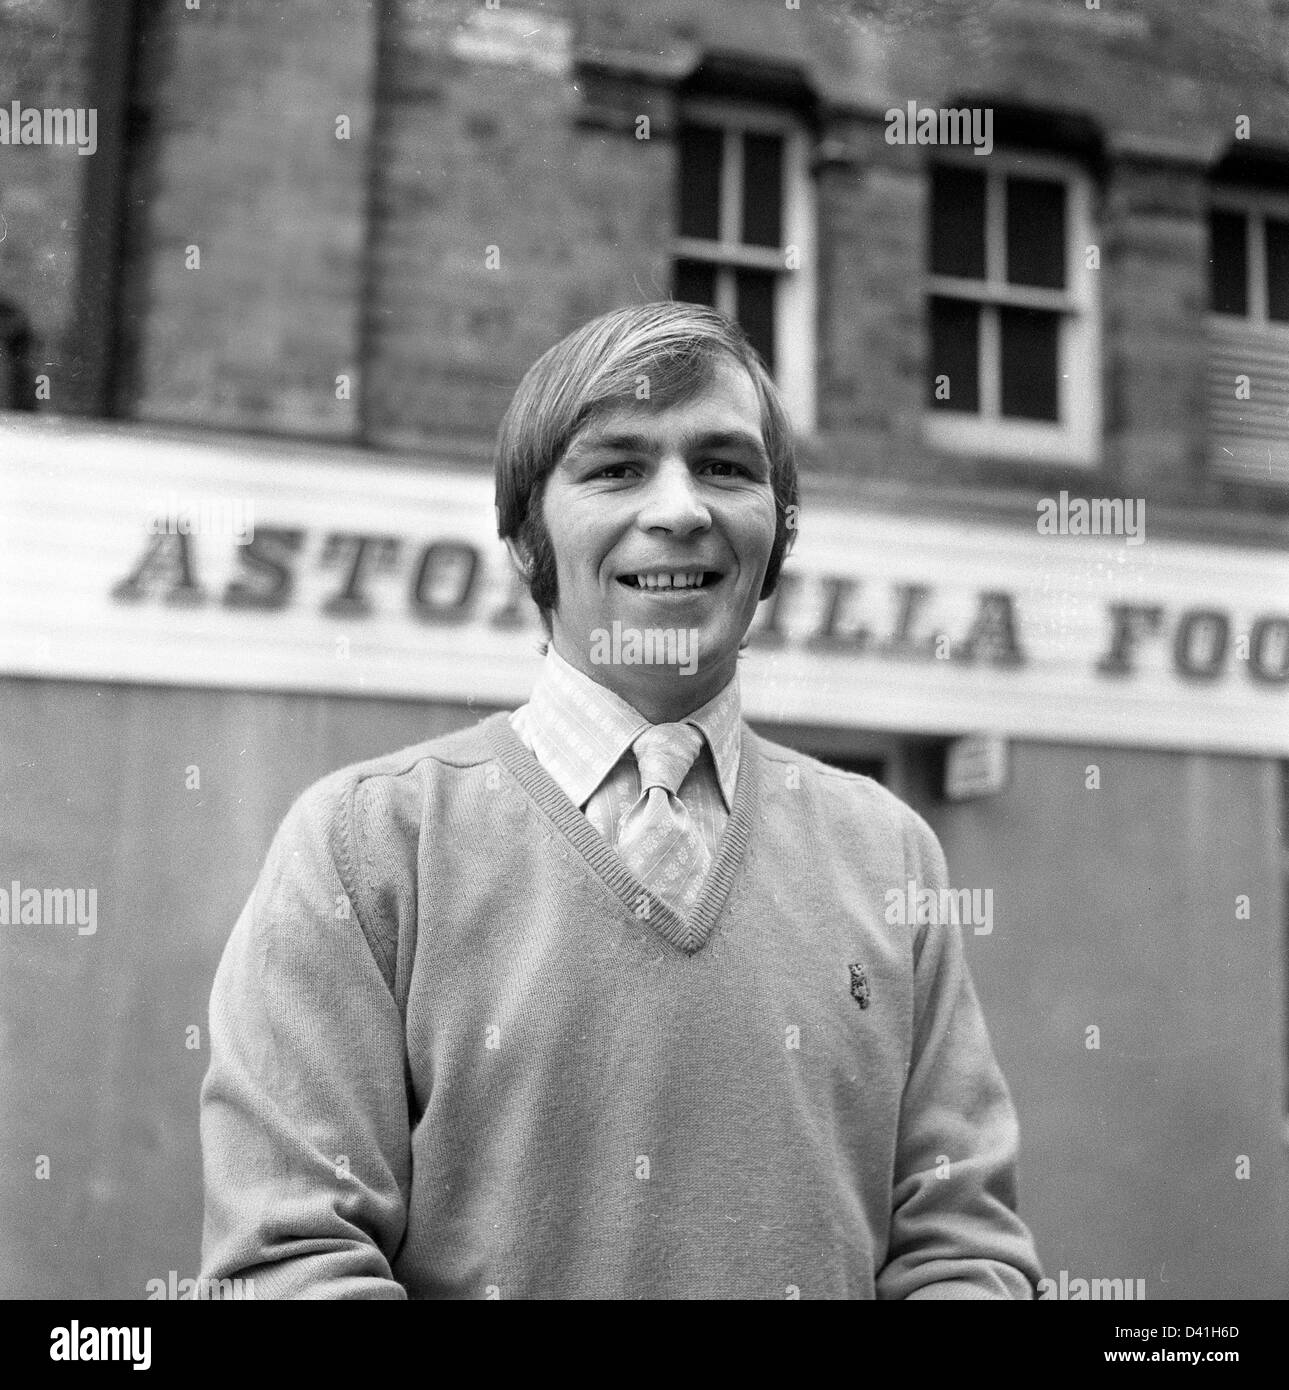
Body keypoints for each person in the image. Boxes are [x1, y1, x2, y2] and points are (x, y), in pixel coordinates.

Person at [198, 301, 1043, 1299]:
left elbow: (961, 1250)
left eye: (726, 466)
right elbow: (291, 1266)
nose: (681, 508)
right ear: (525, 540)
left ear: (776, 533)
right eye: (617, 467)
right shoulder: (364, 847)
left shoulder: (891, 854)